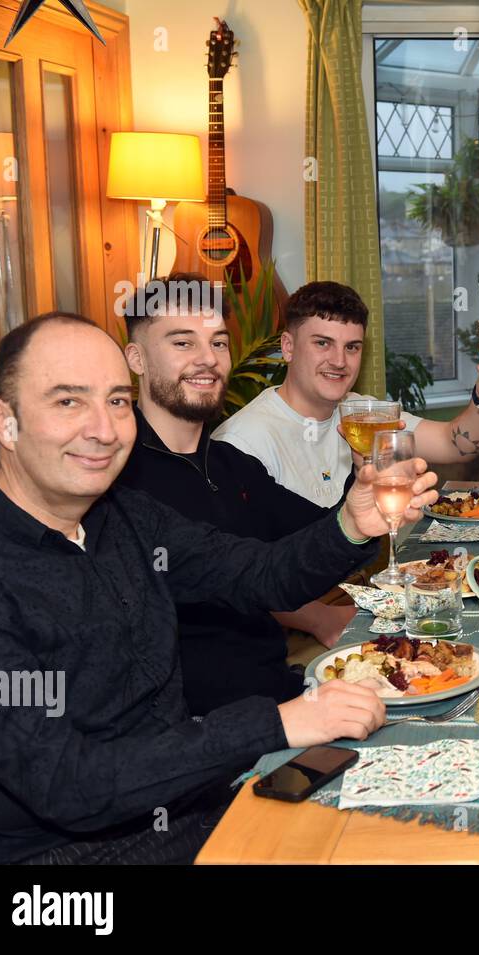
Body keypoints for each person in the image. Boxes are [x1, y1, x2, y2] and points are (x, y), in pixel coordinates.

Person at [0, 313, 438, 864]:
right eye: (68, 401)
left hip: (193, 797)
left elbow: (257, 573)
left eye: (118, 401)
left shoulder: (124, 515)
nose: (103, 428)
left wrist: (352, 524)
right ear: (2, 419)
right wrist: (277, 722)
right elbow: (72, 785)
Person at [115, 275, 357, 716]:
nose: (208, 360)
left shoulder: (230, 462)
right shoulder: (116, 478)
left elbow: (319, 542)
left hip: (280, 693)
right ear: (137, 358)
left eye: (219, 343)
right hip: (198, 734)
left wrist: (366, 483)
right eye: (183, 343)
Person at [215, 281, 479, 506]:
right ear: (288, 347)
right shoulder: (242, 442)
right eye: (322, 343)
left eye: (352, 347)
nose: (338, 361)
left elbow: (455, 446)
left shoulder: (364, 413)